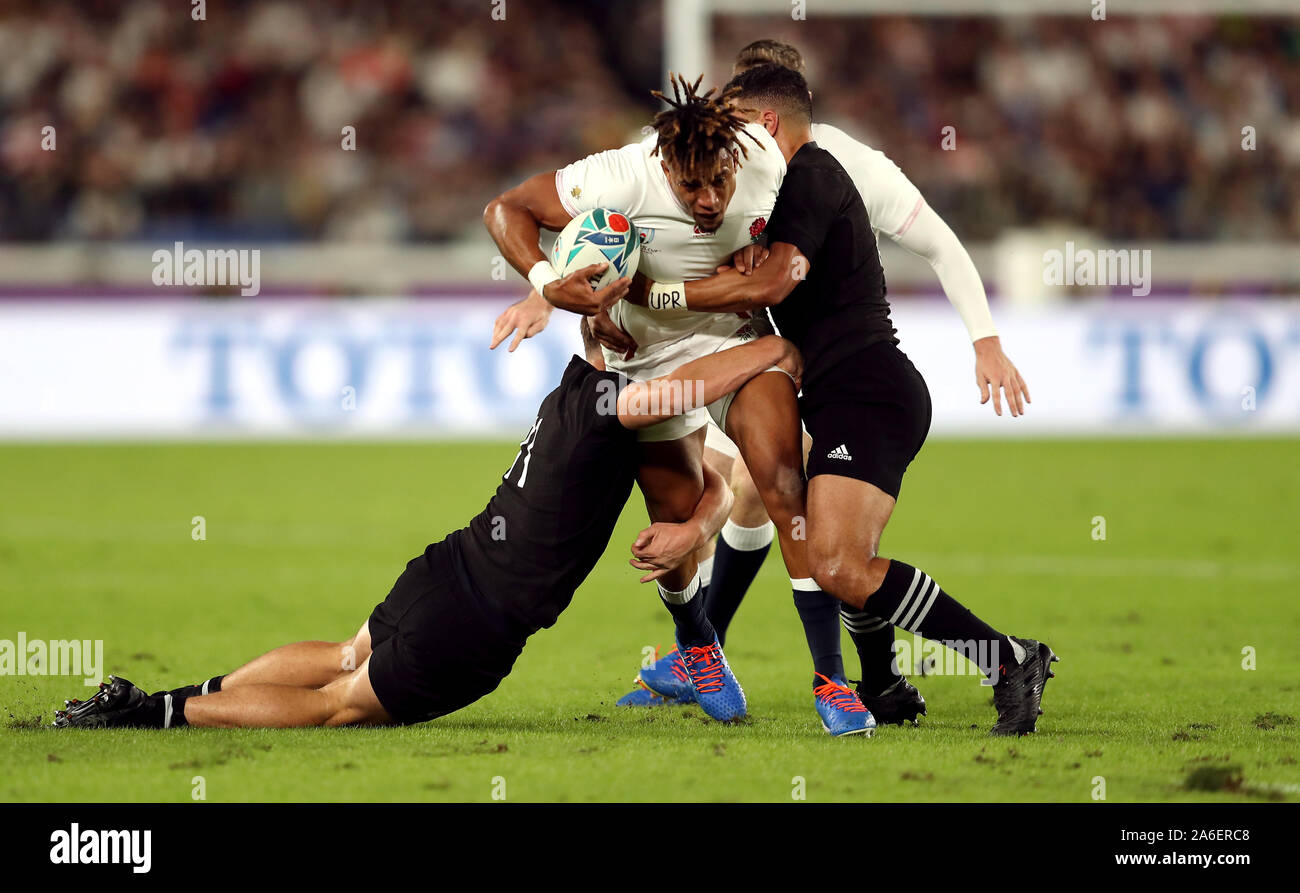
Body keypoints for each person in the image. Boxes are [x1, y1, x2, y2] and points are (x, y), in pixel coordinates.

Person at [53, 330, 802, 730]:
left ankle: (173, 694)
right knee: (335, 704)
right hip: (478, 621)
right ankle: (153, 712)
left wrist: (696, 526)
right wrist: (768, 350)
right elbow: (686, 389)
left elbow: (708, 479)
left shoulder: (572, 388)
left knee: (346, 655)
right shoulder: (617, 404)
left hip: (449, 564)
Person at [626, 63, 1056, 736]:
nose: (727, 144)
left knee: (835, 560)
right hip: (841, 393)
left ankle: (1007, 658)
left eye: (736, 125)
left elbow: (772, 288)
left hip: (867, 390)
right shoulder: (782, 193)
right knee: (837, 552)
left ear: (766, 123)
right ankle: (883, 683)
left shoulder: (815, 175)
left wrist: (660, 295)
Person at [483, 75, 874, 736]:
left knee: (783, 482)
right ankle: (698, 646)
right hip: (643, 356)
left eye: (720, 182)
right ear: (664, 166)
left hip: (734, 337)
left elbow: (804, 243)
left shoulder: (767, 170)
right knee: (676, 518)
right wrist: (552, 287)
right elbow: (506, 209)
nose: (710, 199)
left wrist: (769, 247)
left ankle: (832, 681)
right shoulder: (618, 176)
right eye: (693, 186)